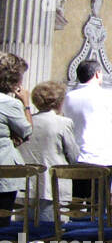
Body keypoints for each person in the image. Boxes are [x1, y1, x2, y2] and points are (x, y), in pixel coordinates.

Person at [63, 60, 112, 199]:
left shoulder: (68, 97)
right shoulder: (108, 95)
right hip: (100, 159)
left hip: (76, 157)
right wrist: (110, 118)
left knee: (76, 203)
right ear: (98, 74)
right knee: (98, 206)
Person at [26, 80, 80, 223]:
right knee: (54, 233)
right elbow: (74, 156)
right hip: (53, 185)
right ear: (59, 102)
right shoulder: (63, 123)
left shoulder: (27, 121)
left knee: (24, 232)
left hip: (28, 185)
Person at [0, 53, 33, 240]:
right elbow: (27, 131)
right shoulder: (10, 104)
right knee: (2, 226)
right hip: (4, 170)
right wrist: (26, 104)